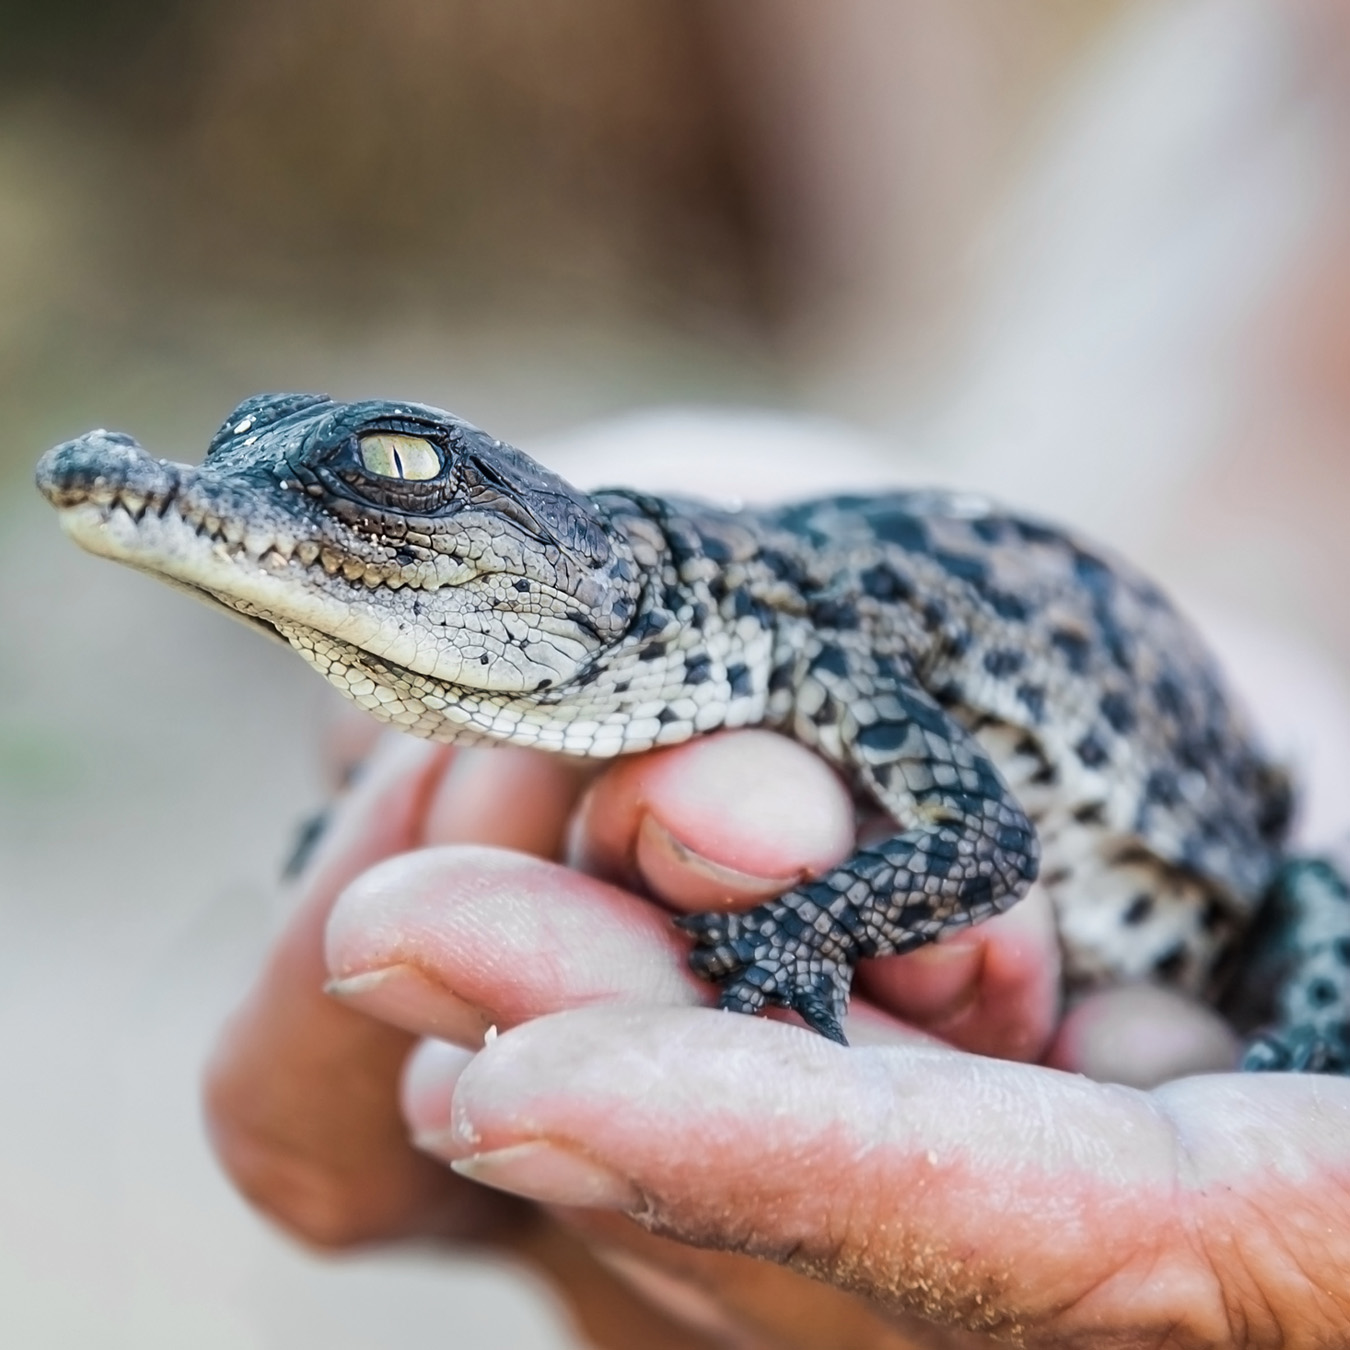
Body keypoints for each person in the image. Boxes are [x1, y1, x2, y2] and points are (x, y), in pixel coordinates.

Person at [203, 581, 1350, 1347]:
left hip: (1219, 912)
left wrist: (802, 930)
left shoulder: (806, 630)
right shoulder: (707, 618)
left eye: (398, 469)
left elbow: (987, 848)